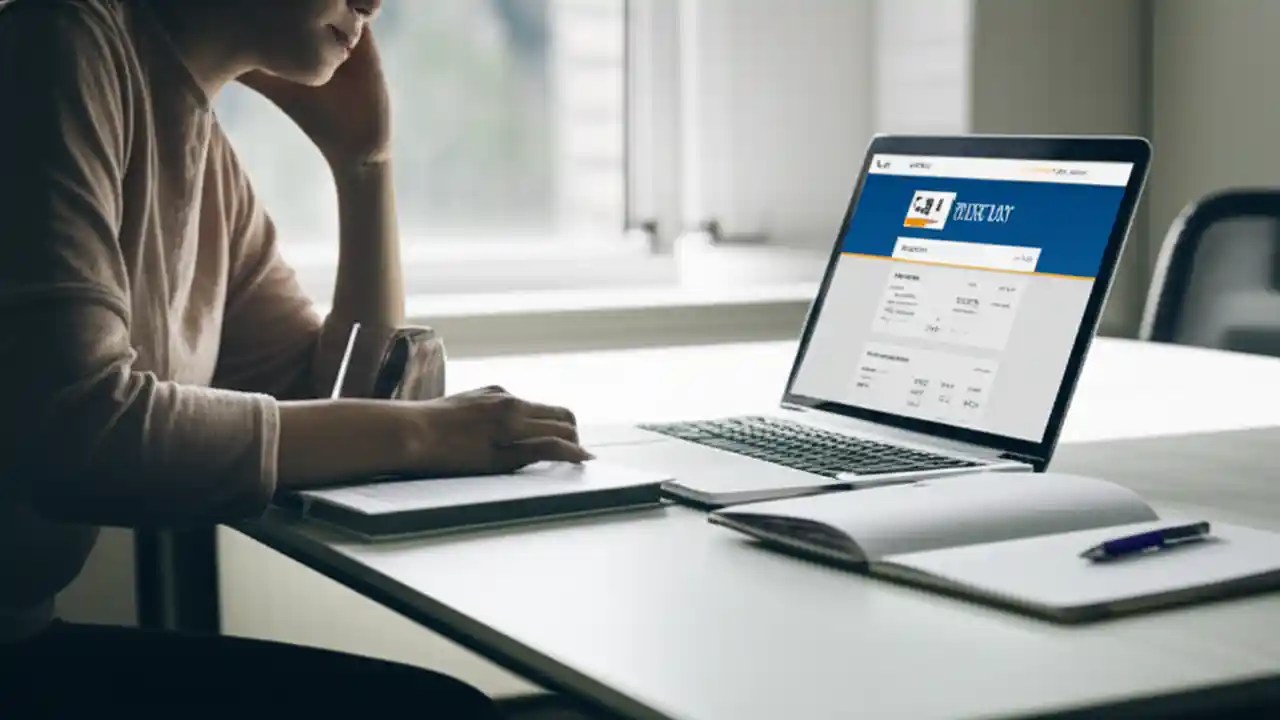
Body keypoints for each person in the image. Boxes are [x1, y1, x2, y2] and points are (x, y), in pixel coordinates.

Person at [0, 0, 593, 714]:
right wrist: (422, 433)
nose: (373, 5)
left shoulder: (200, 149)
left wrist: (365, 167)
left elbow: (336, 400)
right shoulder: (56, 46)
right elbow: (78, 434)